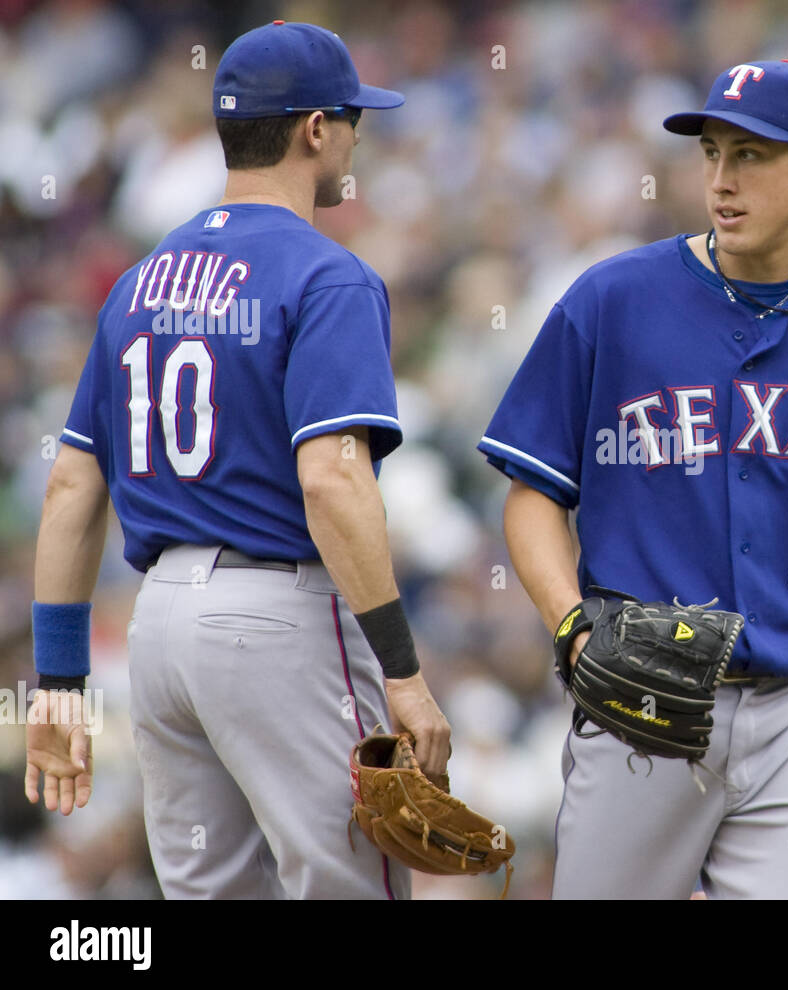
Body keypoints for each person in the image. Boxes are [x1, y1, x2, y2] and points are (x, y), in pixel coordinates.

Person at [478, 60, 788, 899]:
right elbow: (534, 495)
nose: (723, 181)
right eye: (712, 154)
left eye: (751, 156)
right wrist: (570, 631)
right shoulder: (612, 300)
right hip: (639, 701)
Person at [23, 20, 450, 900]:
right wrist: (404, 673)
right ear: (315, 129)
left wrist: (58, 683)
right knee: (348, 885)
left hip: (160, 628)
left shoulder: (138, 281)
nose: (356, 136)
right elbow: (332, 480)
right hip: (276, 618)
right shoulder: (327, 276)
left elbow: (71, 484)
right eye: (350, 118)